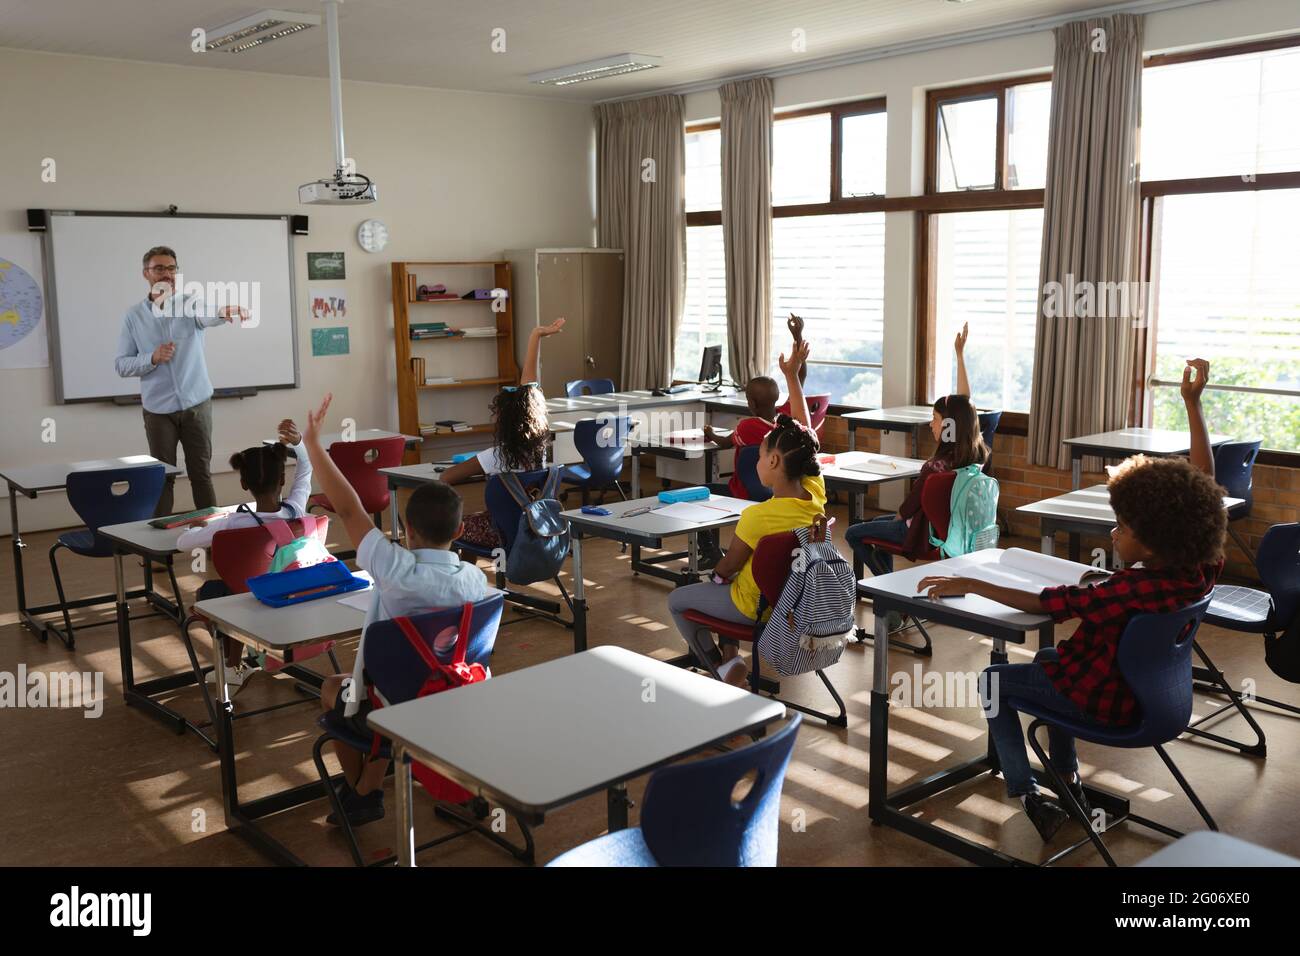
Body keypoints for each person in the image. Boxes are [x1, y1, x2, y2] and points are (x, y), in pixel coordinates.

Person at [917, 359, 1225, 842]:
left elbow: (1046, 602)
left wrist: (973, 583)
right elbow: (1204, 486)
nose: (1113, 531)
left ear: (1152, 539)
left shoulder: (1125, 591)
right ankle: (1069, 780)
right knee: (1047, 657)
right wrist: (1192, 402)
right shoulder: (1199, 570)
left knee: (994, 682)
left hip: (1109, 703)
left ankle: (1028, 794)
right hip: (1159, 699)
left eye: (1121, 527)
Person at [304, 393, 489, 827]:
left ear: (405, 529)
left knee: (337, 690)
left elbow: (348, 506)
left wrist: (314, 446)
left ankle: (364, 794)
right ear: (461, 530)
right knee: (384, 687)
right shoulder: (477, 582)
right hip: (458, 699)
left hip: (398, 708)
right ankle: (391, 787)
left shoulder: (393, 568)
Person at [669, 339, 824, 687]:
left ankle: (722, 673)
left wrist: (715, 578)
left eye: (759, 455)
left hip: (754, 606)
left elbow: (726, 568)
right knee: (726, 587)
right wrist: (792, 376)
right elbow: (804, 431)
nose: (754, 461)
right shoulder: (816, 492)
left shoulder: (757, 518)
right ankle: (731, 659)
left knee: (680, 599)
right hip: (795, 600)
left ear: (772, 462)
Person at [844, 323, 986, 629]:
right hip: (949, 531)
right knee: (874, 526)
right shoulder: (975, 455)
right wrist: (959, 355)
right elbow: (965, 406)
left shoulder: (934, 468)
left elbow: (907, 508)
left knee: (855, 532)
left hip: (920, 532)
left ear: (948, 426)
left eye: (935, 420)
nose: (931, 425)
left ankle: (893, 593)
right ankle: (895, 592)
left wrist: (895, 518)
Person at [114, 245, 246, 516]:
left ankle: (211, 538)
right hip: (158, 410)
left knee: (201, 473)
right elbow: (122, 364)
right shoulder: (134, 316)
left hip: (197, 403)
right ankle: (160, 550)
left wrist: (224, 312)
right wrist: (151, 357)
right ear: (146, 274)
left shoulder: (191, 303)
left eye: (171, 268)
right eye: (159, 268)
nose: (167, 273)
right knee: (162, 477)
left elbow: (208, 315)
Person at [178, 418, 308, 690]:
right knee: (238, 590)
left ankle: (232, 666)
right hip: (288, 594)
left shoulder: (232, 523)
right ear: (283, 479)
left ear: (243, 484)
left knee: (217, 592)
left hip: (246, 600)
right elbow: (306, 471)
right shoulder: (295, 511)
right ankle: (244, 661)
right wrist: (299, 443)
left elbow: (182, 543)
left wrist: (195, 527)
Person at [440, 318, 566, 548]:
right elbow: (530, 392)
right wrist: (536, 336)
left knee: (457, 528)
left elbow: (446, 478)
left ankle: (467, 577)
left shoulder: (495, 456)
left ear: (505, 421)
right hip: (533, 529)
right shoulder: (540, 454)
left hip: (501, 534)